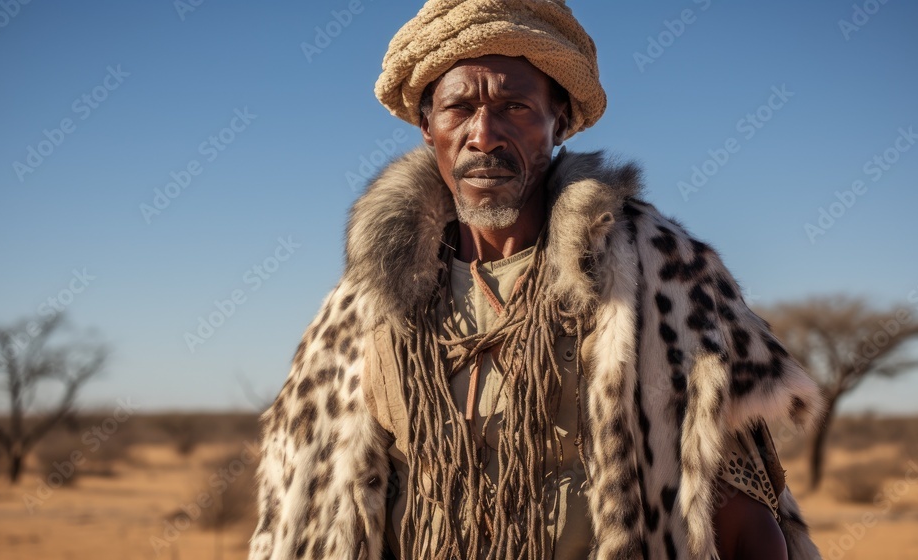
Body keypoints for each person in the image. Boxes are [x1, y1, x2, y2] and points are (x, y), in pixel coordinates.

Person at [249, 2, 823, 559]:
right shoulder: (364, 306)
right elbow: (308, 509)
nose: (484, 135)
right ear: (427, 127)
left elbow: (743, 515)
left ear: (559, 122)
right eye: (458, 109)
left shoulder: (653, 276)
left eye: (516, 107)